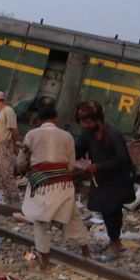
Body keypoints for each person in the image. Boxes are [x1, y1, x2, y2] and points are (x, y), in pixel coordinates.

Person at [22, 105, 92, 269]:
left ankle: (45, 261)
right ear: (55, 119)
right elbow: (71, 164)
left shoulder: (31, 135)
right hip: (63, 185)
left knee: (41, 222)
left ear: (39, 120)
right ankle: (86, 251)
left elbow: (22, 159)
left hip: (40, 185)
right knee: (72, 216)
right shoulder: (67, 136)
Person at [75, 101, 134, 255]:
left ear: (98, 120)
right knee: (106, 211)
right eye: (84, 122)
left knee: (114, 211)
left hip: (118, 180)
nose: (86, 125)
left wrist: (98, 167)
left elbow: (123, 160)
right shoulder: (87, 134)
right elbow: (78, 150)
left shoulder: (113, 135)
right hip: (102, 180)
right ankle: (114, 240)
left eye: (88, 122)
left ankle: (115, 241)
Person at [0, 90, 21, 203]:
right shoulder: (0, 112)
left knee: (7, 173)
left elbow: (14, 129)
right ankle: (8, 199)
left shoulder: (8, 111)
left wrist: (16, 144)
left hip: (5, 146)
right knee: (1, 174)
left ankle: (15, 200)